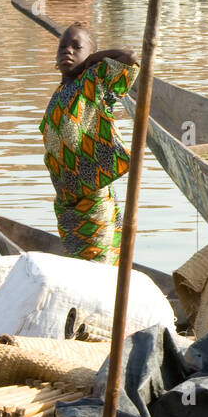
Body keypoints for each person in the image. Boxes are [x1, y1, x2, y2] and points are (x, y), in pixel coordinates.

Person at [38, 23, 139, 264]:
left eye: (77, 47)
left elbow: (130, 58)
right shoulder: (62, 90)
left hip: (92, 197)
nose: (68, 51)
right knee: (78, 261)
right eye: (63, 46)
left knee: (97, 263)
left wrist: (94, 59)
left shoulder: (94, 82)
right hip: (67, 200)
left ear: (90, 55)